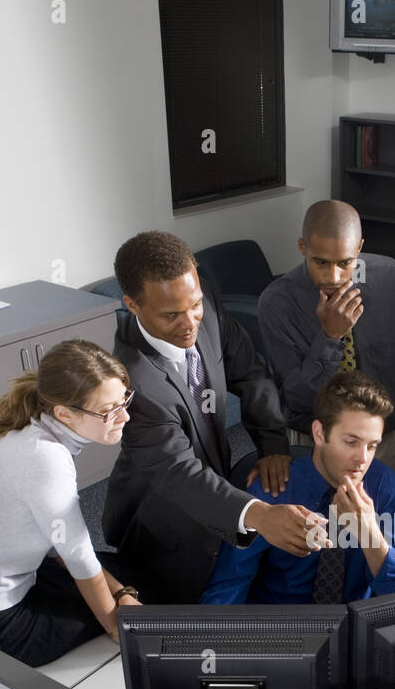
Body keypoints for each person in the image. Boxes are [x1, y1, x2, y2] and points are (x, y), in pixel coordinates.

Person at [102, 230, 305, 603]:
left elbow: (249, 372)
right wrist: (260, 515)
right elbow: (181, 475)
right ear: (132, 304)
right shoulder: (132, 382)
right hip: (161, 522)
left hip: (214, 482)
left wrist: (273, 444)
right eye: (170, 315)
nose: (190, 322)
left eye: (193, 305)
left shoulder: (203, 299)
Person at [0, 340, 143, 666]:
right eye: (108, 411)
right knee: (137, 594)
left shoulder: (26, 430)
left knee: (127, 575)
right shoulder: (46, 460)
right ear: (63, 413)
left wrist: (118, 593)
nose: (124, 416)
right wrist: (118, 628)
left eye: (123, 400)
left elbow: (62, 544)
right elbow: (76, 555)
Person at [200, 373, 395, 604]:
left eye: (372, 446)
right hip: (280, 627)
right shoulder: (271, 492)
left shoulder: (387, 488)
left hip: (354, 627)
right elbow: (228, 587)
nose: (362, 459)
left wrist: (369, 533)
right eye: (351, 442)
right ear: (319, 433)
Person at [257, 199, 395, 475]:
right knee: (319, 517)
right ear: (302, 247)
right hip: (317, 439)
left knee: (381, 516)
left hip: (380, 437)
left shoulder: (391, 279)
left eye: (345, 262)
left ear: (359, 248)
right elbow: (297, 399)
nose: (333, 276)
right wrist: (330, 337)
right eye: (320, 262)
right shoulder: (277, 304)